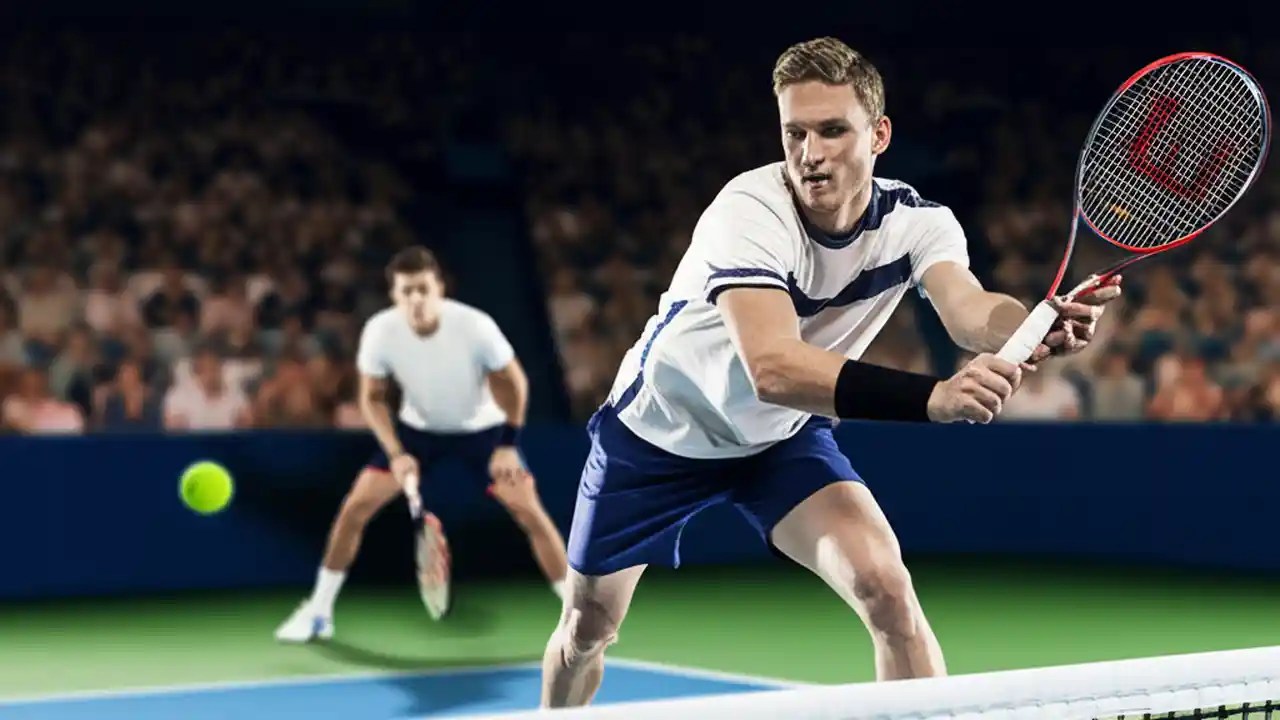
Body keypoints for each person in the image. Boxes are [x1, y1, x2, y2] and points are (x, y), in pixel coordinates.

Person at [539, 37, 1122, 706]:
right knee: (587, 628)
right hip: (658, 436)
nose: (810, 153)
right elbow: (773, 368)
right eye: (795, 133)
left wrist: (1034, 325)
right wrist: (932, 398)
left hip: (779, 440)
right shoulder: (748, 211)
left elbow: (969, 312)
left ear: (879, 135)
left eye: (832, 131)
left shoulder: (916, 223)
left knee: (887, 589)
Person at [276, 246, 569, 642]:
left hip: (483, 434)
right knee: (355, 508)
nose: (415, 298)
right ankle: (318, 612)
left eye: (423, 289)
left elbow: (514, 383)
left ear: (439, 289)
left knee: (529, 511)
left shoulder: (474, 326)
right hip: (418, 434)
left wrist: (507, 444)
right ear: (394, 295)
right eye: (406, 291)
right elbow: (372, 398)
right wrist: (397, 454)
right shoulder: (380, 331)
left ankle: (578, 616)